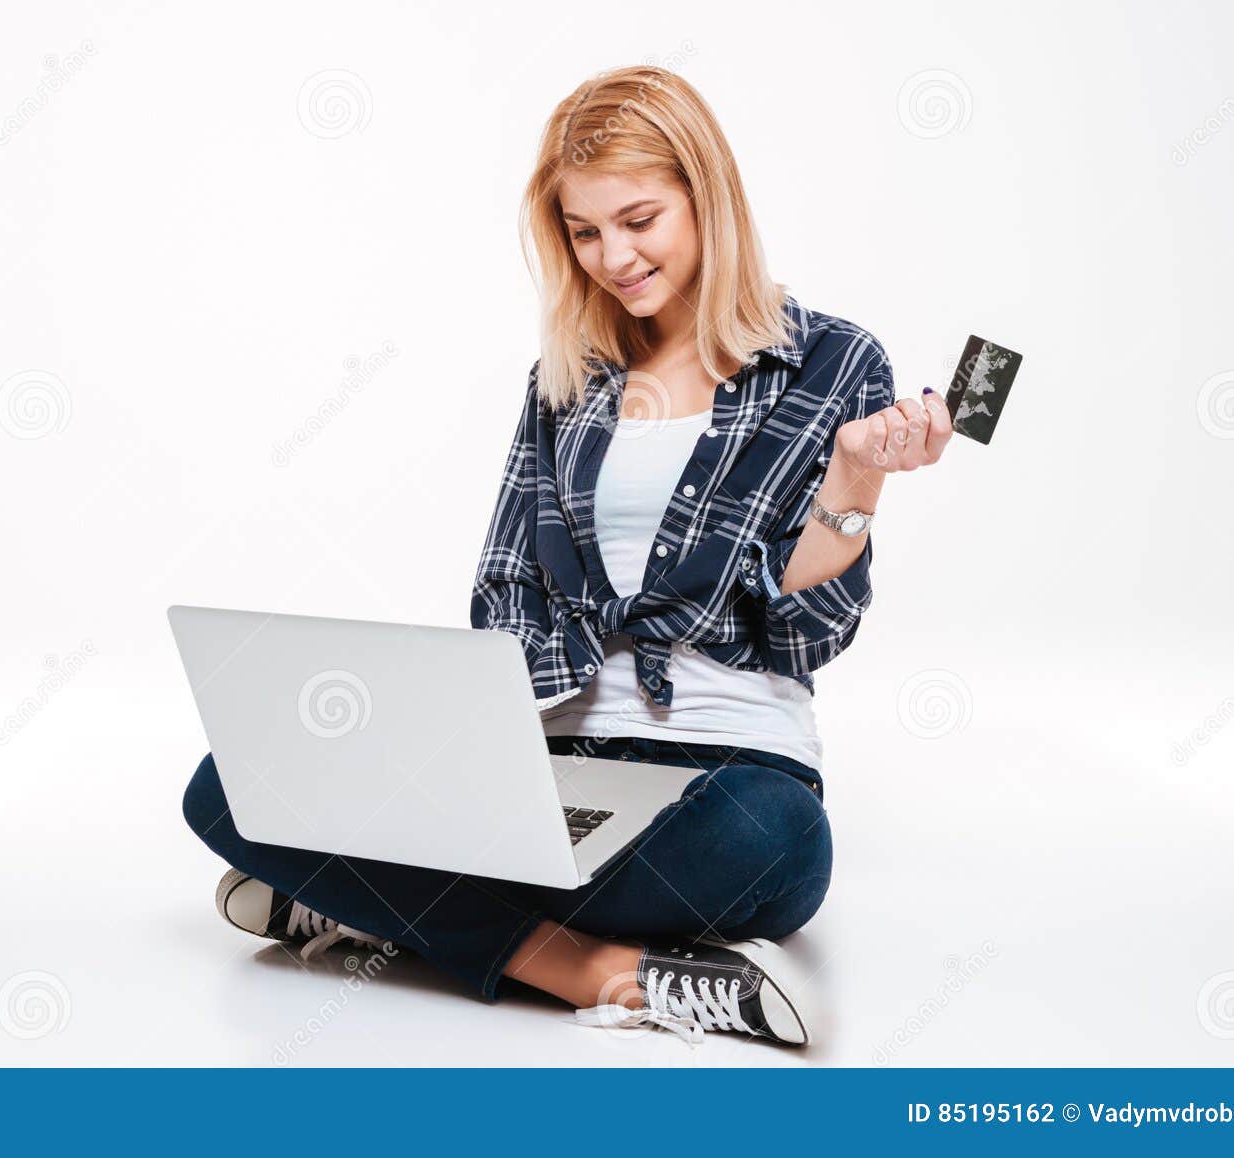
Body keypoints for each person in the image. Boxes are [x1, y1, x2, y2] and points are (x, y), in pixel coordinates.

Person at [182, 65, 951, 1047]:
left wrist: (854, 483)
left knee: (779, 851)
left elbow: (810, 631)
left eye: (638, 219)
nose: (612, 258)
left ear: (704, 195)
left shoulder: (834, 362)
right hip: (557, 759)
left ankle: (383, 909)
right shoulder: (568, 380)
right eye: (584, 233)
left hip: (728, 775)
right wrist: (464, 760)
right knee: (234, 778)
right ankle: (586, 967)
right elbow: (505, 586)